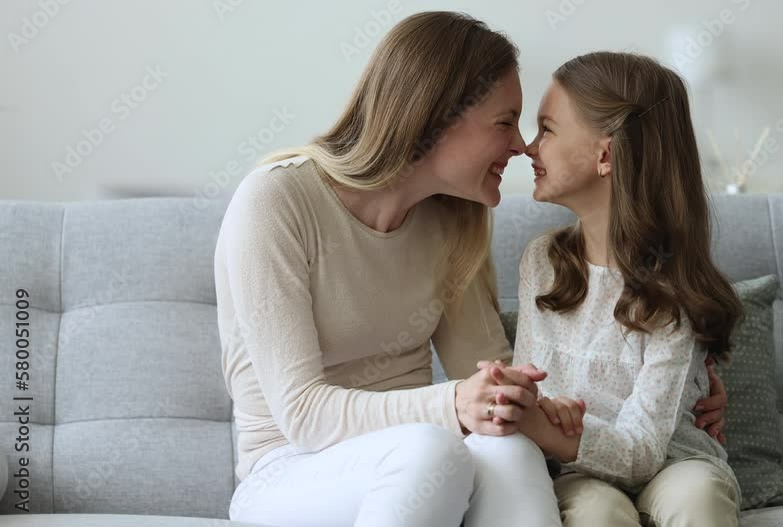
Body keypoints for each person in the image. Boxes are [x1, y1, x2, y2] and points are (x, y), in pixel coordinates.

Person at [215, 11, 729, 527]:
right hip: (289, 470)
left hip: (416, 457)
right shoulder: (276, 201)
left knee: (512, 450)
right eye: (505, 122)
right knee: (429, 450)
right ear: (436, 117)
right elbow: (303, 414)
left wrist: (680, 395)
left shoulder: (455, 220)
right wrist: (456, 403)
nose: (519, 146)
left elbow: (496, 377)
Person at [505, 51, 744, 526]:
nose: (530, 148)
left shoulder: (674, 289)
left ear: (606, 154)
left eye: (547, 129)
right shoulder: (542, 261)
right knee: (597, 511)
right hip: (574, 468)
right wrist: (534, 419)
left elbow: (644, 453)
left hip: (670, 460)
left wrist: (540, 425)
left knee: (700, 494)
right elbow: (533, 381)